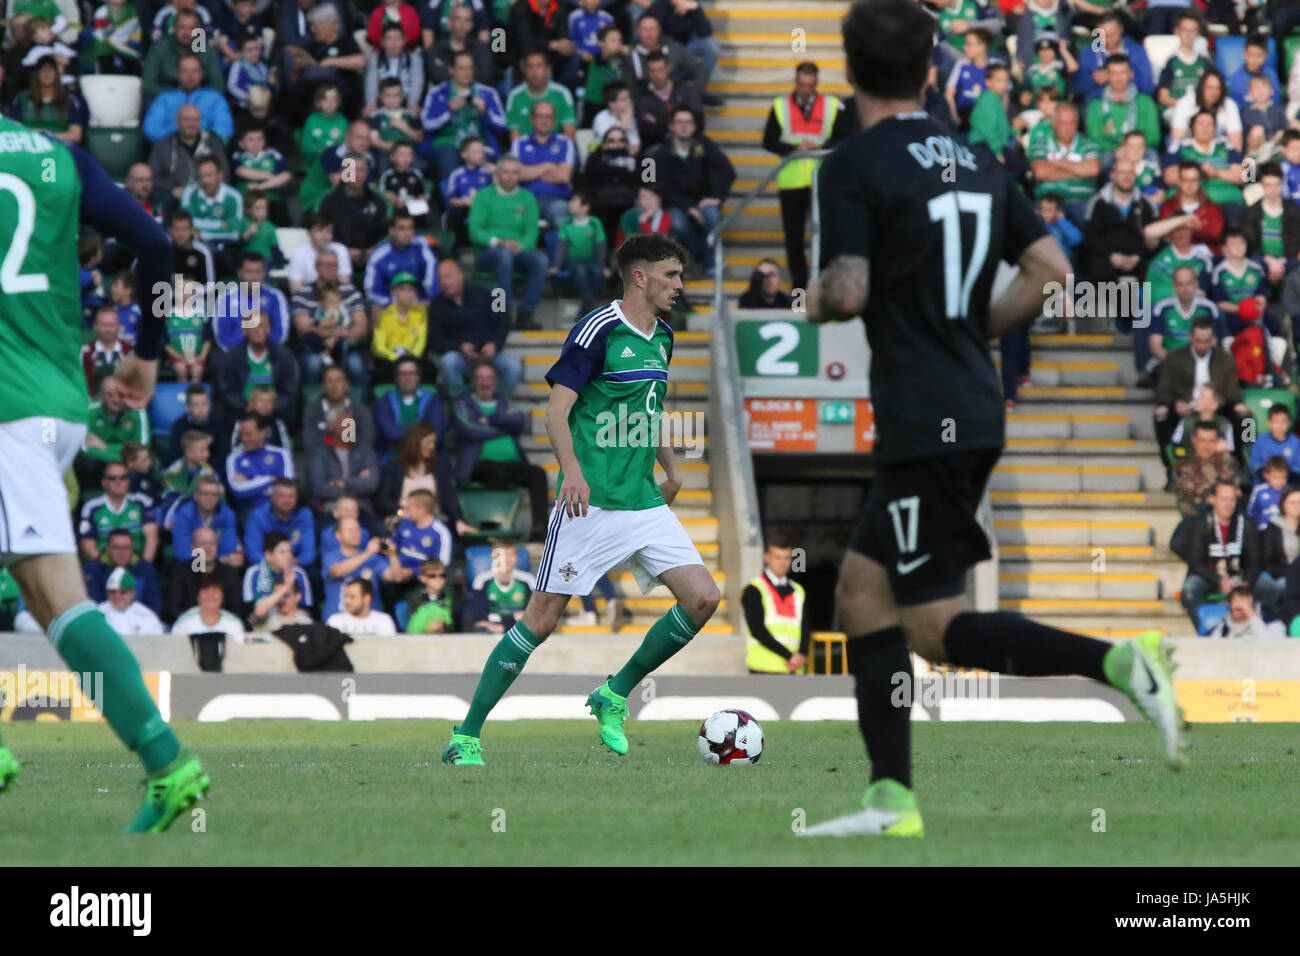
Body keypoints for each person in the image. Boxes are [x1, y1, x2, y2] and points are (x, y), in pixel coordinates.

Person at [796, 0, 1184, 839]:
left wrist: (813, 298)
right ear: (931, 68)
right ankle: (889, 800)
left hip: (921, 413)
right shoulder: (976, 157)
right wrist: (974, 331)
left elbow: (850, 292)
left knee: (915, 622)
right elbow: (1050, 268)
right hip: (970, 399)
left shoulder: (853, 163)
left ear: (850, 71)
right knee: (875, 601)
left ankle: (1120, 662)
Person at [442, 233, 721, 766]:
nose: (680, 287)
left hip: (642, 500)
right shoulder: (598, 328)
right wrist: (571, 472)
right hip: (588, 502)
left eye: (681, 276)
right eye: (671, 276)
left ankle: (613, 693)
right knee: (541, 620)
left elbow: (651, 407)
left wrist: (673, 469)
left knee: (703, 598)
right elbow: (556, 410)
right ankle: (467, 735)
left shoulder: (663, 335)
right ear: (639, 277)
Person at [0, 114, 208, 825]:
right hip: (58, 401)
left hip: (6, 411)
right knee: (48, 598)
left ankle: (167, 759)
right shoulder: (59, 158)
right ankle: (166, 765)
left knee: (56, 599)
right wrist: (147, 352)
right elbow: (153, 241)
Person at [762, 62, 849, 293]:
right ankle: (800, 288)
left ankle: (822, 283)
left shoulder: (832, 105)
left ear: (816, 84)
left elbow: (845, 138)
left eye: (810, 86)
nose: (806, 90)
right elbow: (768, 141)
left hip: (823, 180)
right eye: (802, 85)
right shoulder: (780, 105)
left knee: (826, 233)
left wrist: (819, 146)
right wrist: (793, 149)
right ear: (796, 82)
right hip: (791, 182)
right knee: (794, 239)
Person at [450, 363, 550, 538]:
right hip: (477, 465)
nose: (484, 382)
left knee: (538, 474)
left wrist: (488, 419)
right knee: (497, 472)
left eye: (489, 378)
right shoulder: (463, 403)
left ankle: (539, 529)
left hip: (511, 463)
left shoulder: (504, 401)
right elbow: (469, 430)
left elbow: (519, 422)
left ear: (495, 382)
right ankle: (492, 526)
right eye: (480, 378)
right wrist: (504, 425)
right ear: (472, 381)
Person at [650, 107, 735, 277]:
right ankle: (704, 257)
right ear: (672, 126)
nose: (684, 126)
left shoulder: (703, 145)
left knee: (712, 216)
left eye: (688, 122)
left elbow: (728, 171)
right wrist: (688, 207)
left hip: (702, 201)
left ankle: (710, 266)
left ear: (695, 127)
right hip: (674, 203)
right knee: (678, 223)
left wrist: (717, 198)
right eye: (679, 122)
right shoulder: (662, 153)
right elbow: (663, 187)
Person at [468, 156, 549, 330]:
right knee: (504, 256)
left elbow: (532, 232)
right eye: (506, 172)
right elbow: (474, 231)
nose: (510, 176)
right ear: (497, 174)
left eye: (514, 172)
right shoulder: (484, 196)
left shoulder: (528, 198)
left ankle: (525, 315)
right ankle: (503, 313)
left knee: (541, 260)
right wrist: (499, 242)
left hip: (518, 251)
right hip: (488, 253)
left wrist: (520, 245)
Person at [427, 258, 521, 395]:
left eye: (448, 277)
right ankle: (462, 406)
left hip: (490, 354)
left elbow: (503, 321)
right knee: (448, 362)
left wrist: (495, 344)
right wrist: (459, 347)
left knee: (514, 367)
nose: (444, 282)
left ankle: (501, 405)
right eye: (440, 279)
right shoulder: (436, 305)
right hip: (462, 357)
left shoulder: (486, 293)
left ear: (461, 275)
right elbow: (435, 340)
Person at [742, 534, 809, 674]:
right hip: (764, 668)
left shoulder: (798, 590)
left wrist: (801, 655)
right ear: (767, 558)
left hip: (793, 670)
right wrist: (790, 656)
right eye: (777, 557)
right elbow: (757, 630)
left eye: (786, 558)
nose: (782, 563)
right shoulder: (754, 589)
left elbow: (805, 627)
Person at [322, 516, 405, 618]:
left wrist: (392, 555)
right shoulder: (331, 557)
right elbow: (337, 571)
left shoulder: (373, 558)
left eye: (357, 529)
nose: (355, 533)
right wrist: (368, 553)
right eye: (350, 530)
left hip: (370, 624)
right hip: (337, 622)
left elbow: (396, 577)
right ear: (338, 535)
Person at [374, 356, 445, 456]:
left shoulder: (433, 401)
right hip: (392, 458)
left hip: (426, 456)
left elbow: (437, 434)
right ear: (397, 377)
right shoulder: (384, 402)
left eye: (411, 373)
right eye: (402, 374)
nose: (407, 377)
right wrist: (421, 433)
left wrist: (405, 433)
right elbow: (390, 434)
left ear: (418, 377)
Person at [84, 528, 163, 616]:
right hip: (104, 620)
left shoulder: (145, 568)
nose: (122, 552)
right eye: (116, 548)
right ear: (107, 549)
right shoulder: (93, 569)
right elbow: (93, 604)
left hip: (140, 622)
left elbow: (154, 605)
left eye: (126, 548)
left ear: (132, 550)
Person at [242, 531, 313, 624]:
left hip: (292, 621)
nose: (288, 556)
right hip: (263, 622)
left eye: (290, 551)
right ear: (269, 555)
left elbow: (306, 609)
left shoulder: (299, 574)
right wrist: (287, 586)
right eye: (282, 552)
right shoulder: (254, 573)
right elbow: (252, 613)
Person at [465, 541, 534, 632]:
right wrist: (512, 619)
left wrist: (504, 627)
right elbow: (479, 613)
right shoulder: (482, 579)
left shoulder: (528, 580)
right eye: (503, 555)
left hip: (520, 627)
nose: (507, 559)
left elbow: (534, 613)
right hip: (491, 627)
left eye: (511, 555)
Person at [172, 574, 247, 641]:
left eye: (215, 591)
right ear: (198, 597)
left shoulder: (234, 623)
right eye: (206, 591)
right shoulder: (184, 622)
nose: (211, 595)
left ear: (223, 596)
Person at [97, 567, 165, 635]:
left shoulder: (146, 616)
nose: (117, 596)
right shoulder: (98, 614)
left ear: (133, 594)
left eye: (123, 592)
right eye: (112, 592)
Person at [1206, 585, 1285, 639]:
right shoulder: (1224, 626)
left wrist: (1252, 616)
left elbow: (1274, 646)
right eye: (1238, 607)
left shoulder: (1272, 621)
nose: (1242, 611)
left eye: (1246, 606)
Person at [327, 577, 399, 636]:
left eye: (352, 597)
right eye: (346, 597)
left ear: (367, 598)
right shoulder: (335, 621)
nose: (347, 601)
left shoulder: (383, 621)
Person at [406, 558, 454, 633]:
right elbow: (413, 623)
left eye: (442, 575)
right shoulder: (415, 597)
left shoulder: (448, 596)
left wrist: (443, 627)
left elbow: (452, 624)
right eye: (432, 576)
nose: (439, 579)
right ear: (423, 578)